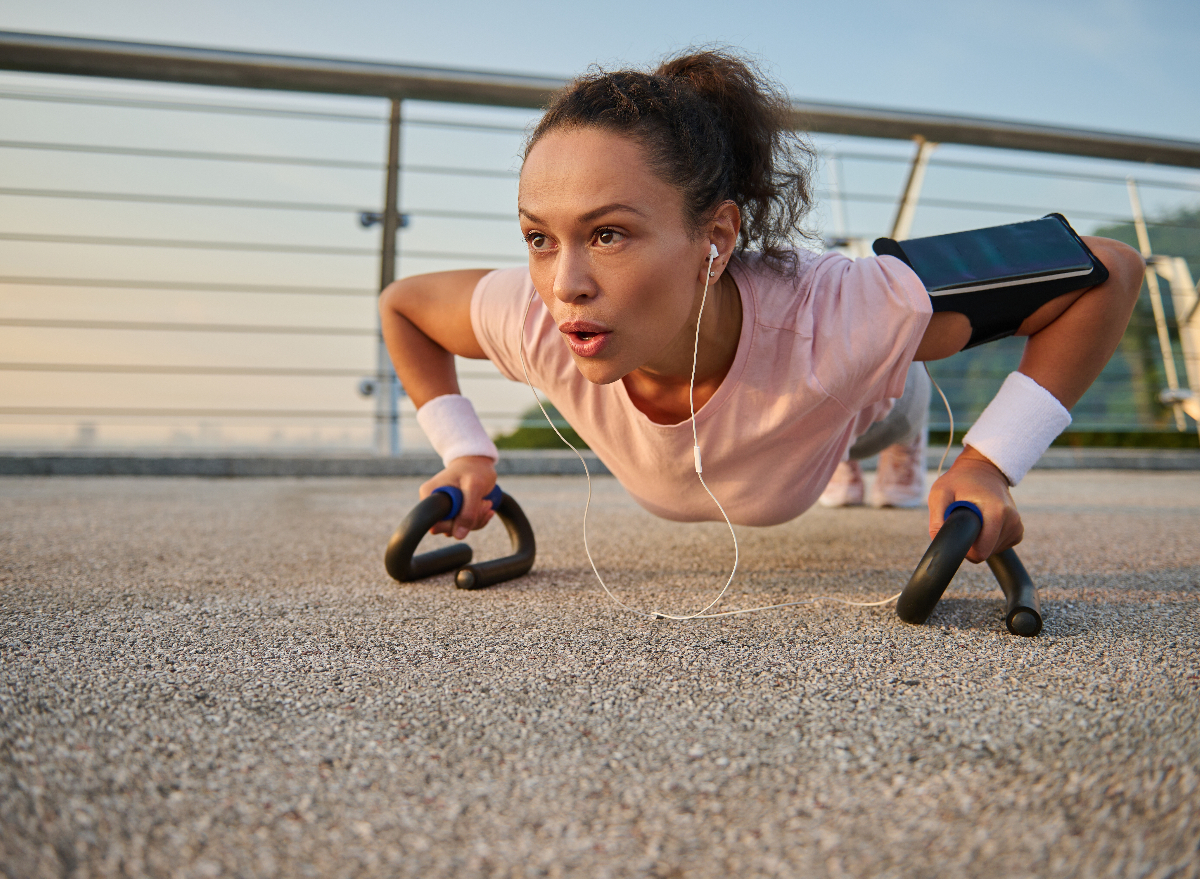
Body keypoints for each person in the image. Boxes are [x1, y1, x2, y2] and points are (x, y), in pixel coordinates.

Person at [379, 50, 1143, 567]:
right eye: (540, 237)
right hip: (785, 429)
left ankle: (892, 435)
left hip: (862, 403)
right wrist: (467, 454)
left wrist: (989, 463)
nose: (564, 284)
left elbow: (1107, 267)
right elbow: (404, 307)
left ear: (716, 234)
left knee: (894, 394)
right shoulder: (536, 311)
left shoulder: (843, 313)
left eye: (608, 234)